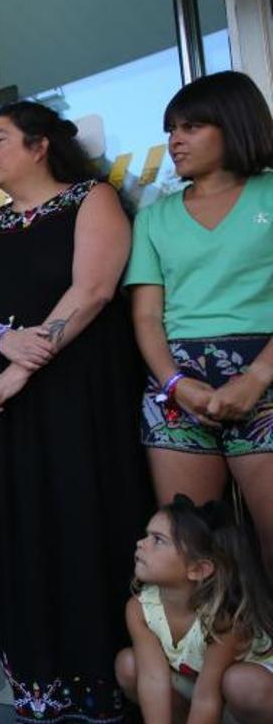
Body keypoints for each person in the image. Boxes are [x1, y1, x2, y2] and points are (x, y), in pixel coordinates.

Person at [0, 101, 152, 724]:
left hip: (78, 393)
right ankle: (39, 693)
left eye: (0, 139)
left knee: (85, 522)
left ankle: (104, 701)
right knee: (21, 530)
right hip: (7, 402)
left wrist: (23, 362)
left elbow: (92, 290)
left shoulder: (93, 199)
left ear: (39, 146)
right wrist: (4, 343)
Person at [124, 71, 273, 575]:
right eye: (171, 129)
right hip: (177, 386)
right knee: (191, 550)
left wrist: (257, 376)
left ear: (232, 125)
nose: (175, 140)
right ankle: (212, 656)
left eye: (191, 126)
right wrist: (174, 383)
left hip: (265, 373)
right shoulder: (154, 216)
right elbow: (146, 314)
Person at [116, 495, 273, 724]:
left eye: (158, 540)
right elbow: (152, 680)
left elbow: (206, 696)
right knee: (130, 665)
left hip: (252, 703)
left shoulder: (224, 617)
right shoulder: (139, 607)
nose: (141, 543)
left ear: (198, 569)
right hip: (215, 705)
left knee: (240, 681)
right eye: (146, 535)